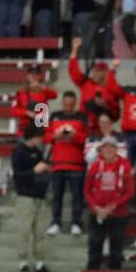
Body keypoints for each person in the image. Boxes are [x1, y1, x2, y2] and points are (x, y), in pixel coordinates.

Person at [84, 138, 134, 272]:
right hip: (97, 213)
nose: (108, 151)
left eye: (111, 148)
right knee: (95, 244)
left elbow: (129, 191)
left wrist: (113, 206)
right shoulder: (95, 165)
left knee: (116, 247)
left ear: (116, 149)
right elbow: (87, 190)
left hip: (118, 214)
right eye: (105, 148)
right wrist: (95, 207)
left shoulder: (125, 165)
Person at [45, 93, 88, 237]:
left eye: (71, 104)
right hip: (57, 163)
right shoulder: (54, 116)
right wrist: (55, 136)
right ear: (62, 103)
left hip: (76, 164)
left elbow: (86, 139)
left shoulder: (82, 117)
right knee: (56, 196)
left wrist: (73, 136)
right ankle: (56, 222)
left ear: (75, 103)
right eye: (66, 104)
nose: (68, 107)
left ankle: (76, 223)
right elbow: (45, 136)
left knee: (77, 196)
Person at [11, 125, 52, 272]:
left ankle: (40, 262)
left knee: (40, 231)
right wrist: (34, 171)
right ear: (33, 137)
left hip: (39, 195)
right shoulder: (19, 151)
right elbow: (17, 175)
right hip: (25, 196)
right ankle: (23, 262)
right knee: (25, 230)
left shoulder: (37, 152)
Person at [68, 36, 124, 121]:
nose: (95, 73)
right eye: (94, 71)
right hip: (86, 126)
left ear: (105, 72)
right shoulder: (86, 83)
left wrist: (104, 106)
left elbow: (116, 115)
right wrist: (75, 49)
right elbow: (74, 71)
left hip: (103, 127)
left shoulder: (112, 87)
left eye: (98, 71)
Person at [11, 66, 59, 134]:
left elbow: (54, 95)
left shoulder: (44, 91)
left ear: (39, 76)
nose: (33, 76)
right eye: (31, 73)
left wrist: (43, 87)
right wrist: (26, 112)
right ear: (27, 76)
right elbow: (14, 111)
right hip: (25, 128)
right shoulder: (21, 92)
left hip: (40, 127)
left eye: (36, 73)